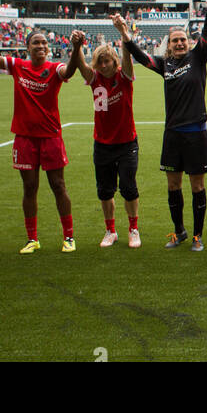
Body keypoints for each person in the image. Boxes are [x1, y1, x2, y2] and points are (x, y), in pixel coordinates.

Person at [118, 0, 207, 251]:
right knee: (173, 185)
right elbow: (140, 56)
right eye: (175, 40)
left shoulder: (198, 57)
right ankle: (180, 232)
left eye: (182, 39)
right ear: (168, 44)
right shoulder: (165, 65)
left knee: (197, 186)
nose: (179, 43)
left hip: (196, 133)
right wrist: (124, 35)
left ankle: (198, 235)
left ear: (188, 42)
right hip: (172, 134)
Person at [0, 30, 78, 254]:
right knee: (29, 188)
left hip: (51, 136)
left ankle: (69, 237)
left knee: (58, 186)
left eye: (44, 42)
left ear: (48, 48)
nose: (41, 45)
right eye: (36, 42)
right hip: (25, 139)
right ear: (28, 48)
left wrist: (76, 48)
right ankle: (32, 239)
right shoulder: (17, 65)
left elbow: (71, 69)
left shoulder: (55, 68)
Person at [69, 21, 141, 249]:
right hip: (102, 143)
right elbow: (80, 66)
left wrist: (123, 33)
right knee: (105, 190)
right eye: (99, 61)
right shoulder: (94, 79)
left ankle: (133, 229)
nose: (103, 65)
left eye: (106, 60)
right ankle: (110, 230)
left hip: (127, 142)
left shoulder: (124, 76)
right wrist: (77, 46)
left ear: (114, 61)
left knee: (128, 187)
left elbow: (128, 59)